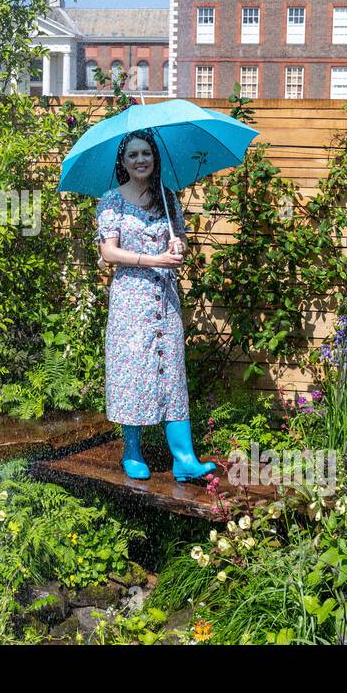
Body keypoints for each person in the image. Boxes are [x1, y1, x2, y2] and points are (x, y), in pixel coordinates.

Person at [95, 129, 217, 483]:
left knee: (171, 369)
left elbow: (178, 245)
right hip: (131, 299)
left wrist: (178, 249)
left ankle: (184, 459)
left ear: (154, 157)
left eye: (145, 153)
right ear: (123, 161)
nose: (140, 160)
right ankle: (132, 450)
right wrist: (153, 260)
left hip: (164, 300)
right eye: (132, 154)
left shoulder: (167, 198)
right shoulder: (111, 201)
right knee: (133, 369)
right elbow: (108, 252)